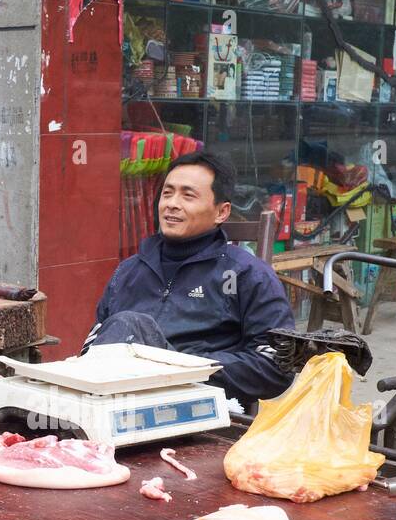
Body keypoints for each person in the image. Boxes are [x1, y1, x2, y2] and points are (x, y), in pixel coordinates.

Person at [84, 150, 295, 404]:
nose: (172, 203)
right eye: (167, 192)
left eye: (188, 195)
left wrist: (186, 369)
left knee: (132, 325)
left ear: (222, 212)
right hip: (114, 403)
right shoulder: (129, 271)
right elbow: (91, 351)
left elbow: (276, 364)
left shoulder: (247, 275)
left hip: (198, 407)